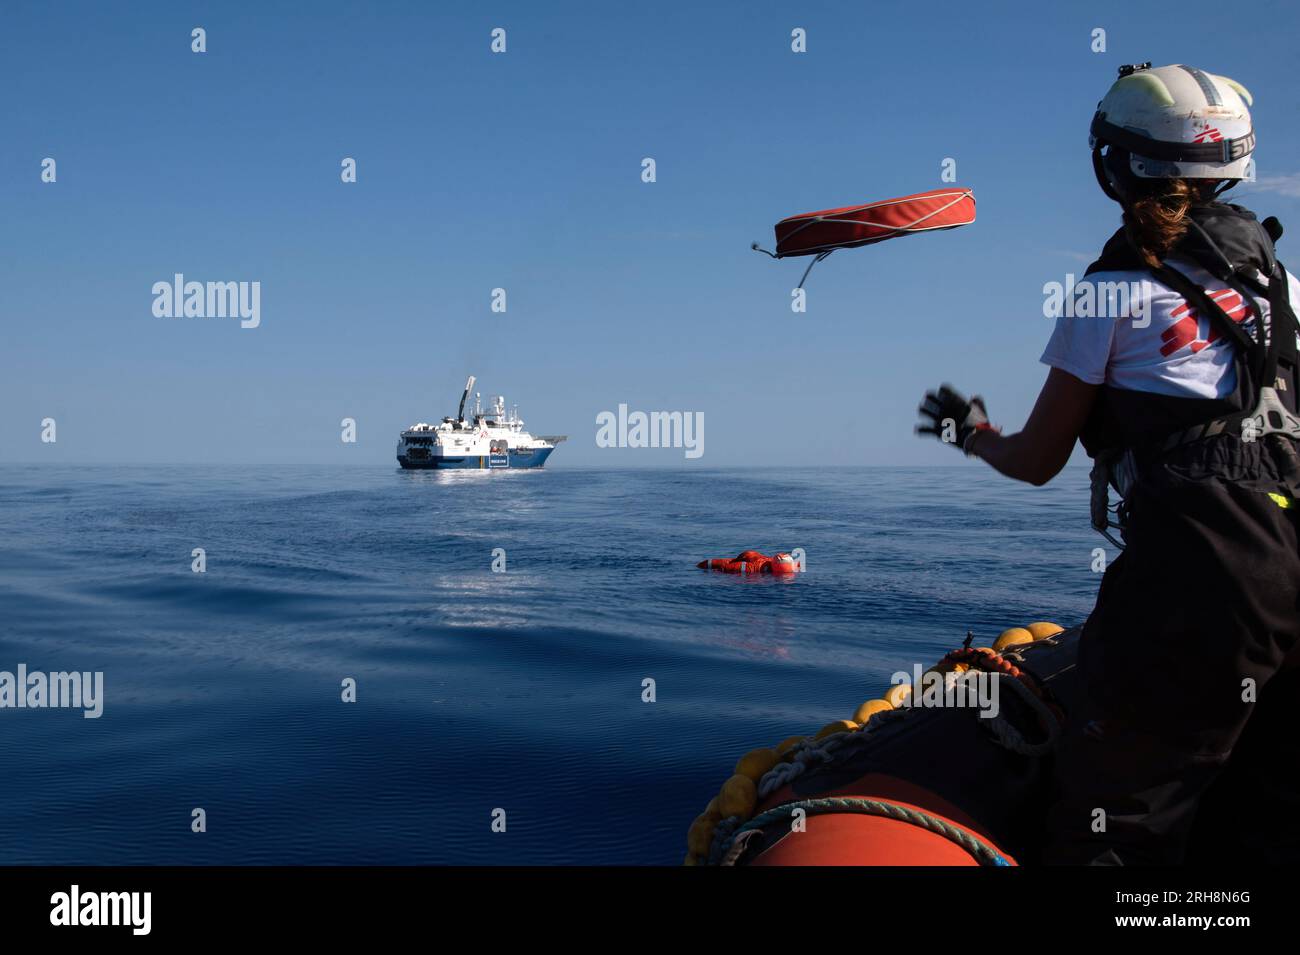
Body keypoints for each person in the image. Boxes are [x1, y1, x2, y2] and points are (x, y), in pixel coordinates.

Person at [916, 63, 1300, 864]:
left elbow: (1035, 459)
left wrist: (969, 430)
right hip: (1288, 566)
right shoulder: (1288, 288)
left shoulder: (1110, 292)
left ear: (1114, 166)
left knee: (1118, 818)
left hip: (1204, 574)